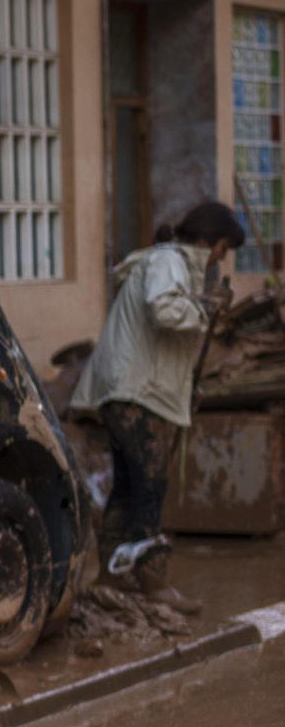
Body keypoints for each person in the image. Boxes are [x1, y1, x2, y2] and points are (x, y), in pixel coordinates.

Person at [70, 200, 246, 614]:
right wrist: (205, 308)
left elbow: (164, 342)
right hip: (135, 394)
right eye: (221, 248)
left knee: (130, 487)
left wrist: (186, 390)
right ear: (207, 240)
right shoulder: (170, 261)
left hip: (127, 391)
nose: (220, 258)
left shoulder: (165, 261)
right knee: (151, 486)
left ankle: (112, 574)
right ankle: (153, 581)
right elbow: (164, 309)